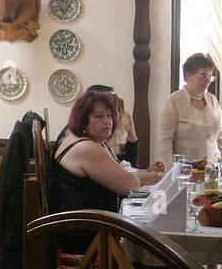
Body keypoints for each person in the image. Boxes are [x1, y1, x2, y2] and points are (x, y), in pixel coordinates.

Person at [51, 89, 165, 254]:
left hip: (86, 224)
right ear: (83, 120)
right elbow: (129, 184)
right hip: (83, 232)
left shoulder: (87, 141)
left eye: (109, 115)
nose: (107, 121)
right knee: (148, 238)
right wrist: (160, 177)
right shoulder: (87, 147)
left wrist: (154, 176)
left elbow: (120, 173)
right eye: (99, 116)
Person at [157, 52, 222, 162]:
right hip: (185, 170)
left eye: (210, 77)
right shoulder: (173, 102)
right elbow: (164, 143)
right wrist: (170, 173)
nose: (208, 81)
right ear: (188, 76)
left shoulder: (213, 100)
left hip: (212, 168)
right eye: (203, 75)